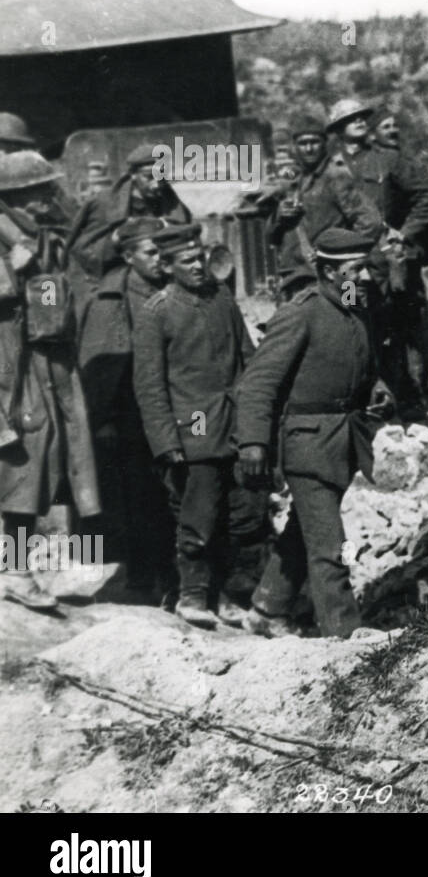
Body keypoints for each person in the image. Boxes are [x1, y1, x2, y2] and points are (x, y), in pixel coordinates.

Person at [235, 227, 391, 639]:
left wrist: (376, 387)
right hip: (307, 443)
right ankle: (343, 634)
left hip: (343, 440)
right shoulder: (299, 313)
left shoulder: (354, 303)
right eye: (357, 270)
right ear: (327, 271)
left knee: (307, 529)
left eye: (367, 268)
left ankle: (267, 608)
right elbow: (258, 383)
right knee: (330, 547)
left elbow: (362, 357)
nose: (367, 278)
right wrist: (252, 442)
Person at [132, 224, 267, 628]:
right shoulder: (156, 312)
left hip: (236, 424)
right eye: (186, 261)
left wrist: (256, 421)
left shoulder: (221, 297)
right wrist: (166, 442)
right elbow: (150, 385)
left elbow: (247, 358)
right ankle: (193, 594)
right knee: (199, 515)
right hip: (195, 427)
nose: (197, 267)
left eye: (200, 258)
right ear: (169, 266)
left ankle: (231, 594)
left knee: (244, 514)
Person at [0, 151, 100, 612]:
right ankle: (17, 572)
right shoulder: (9, 243)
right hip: (14, 366)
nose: (47, 200)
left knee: (45, 464)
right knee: (23, 468)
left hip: (49, 363)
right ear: (17, 197)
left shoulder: (41, 237)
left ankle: (22, 567)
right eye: (39, 193)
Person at [77, 215, 174, 603]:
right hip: (127, 415)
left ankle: (177, 576)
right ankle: (141, 579)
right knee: (138, 497)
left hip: (172, 407)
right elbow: (102, 363)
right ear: (128, 256)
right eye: (151, 252)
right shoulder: (110, 298)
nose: (159, 260)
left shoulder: (174, 288)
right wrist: (105, 421)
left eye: (164, 252)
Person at [327, 99, 428, 411]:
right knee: (352, 318)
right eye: (351, 118)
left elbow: (426, 194)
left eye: (362, 117)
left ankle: (408, 395)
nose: (360, 121)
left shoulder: (387, 160)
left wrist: (404, 233)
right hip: (347, 266)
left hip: (383, 260)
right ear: (338, 129)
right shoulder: (330, 165)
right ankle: (361, 393)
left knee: (400, 325)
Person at [267, 115, 383, 301]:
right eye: (303, 143)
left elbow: (372, 222)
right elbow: (272, 236)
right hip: (295, 276)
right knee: (297, 326)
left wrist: (343, 257)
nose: (309, 148)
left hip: (333, 277)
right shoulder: (293, 180)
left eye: (315, 142)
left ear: (325, 144)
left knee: (349, 321)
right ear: (294, 147)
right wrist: (279, 216)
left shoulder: (336, 177)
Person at [66, 143, 192, 286]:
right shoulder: (105, 204)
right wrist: (115, 239)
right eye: (149, 177)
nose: (156, 184)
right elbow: (82, 253)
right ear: (132, 174)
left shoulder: (172, 203)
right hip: (113, 278)